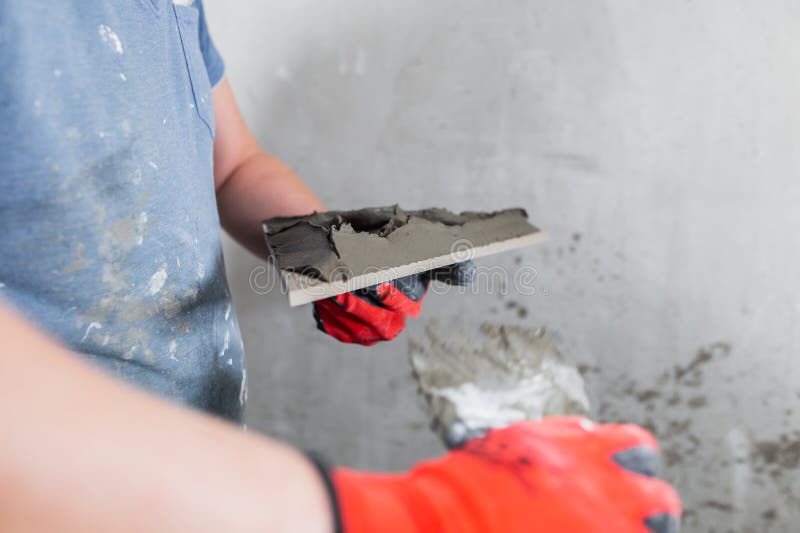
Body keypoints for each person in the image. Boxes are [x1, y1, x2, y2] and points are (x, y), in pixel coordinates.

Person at [0, 1, 681, 531]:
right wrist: (402, 516)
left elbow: (232, 163)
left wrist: (327, 252)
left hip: (195, 457)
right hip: (51, 487)